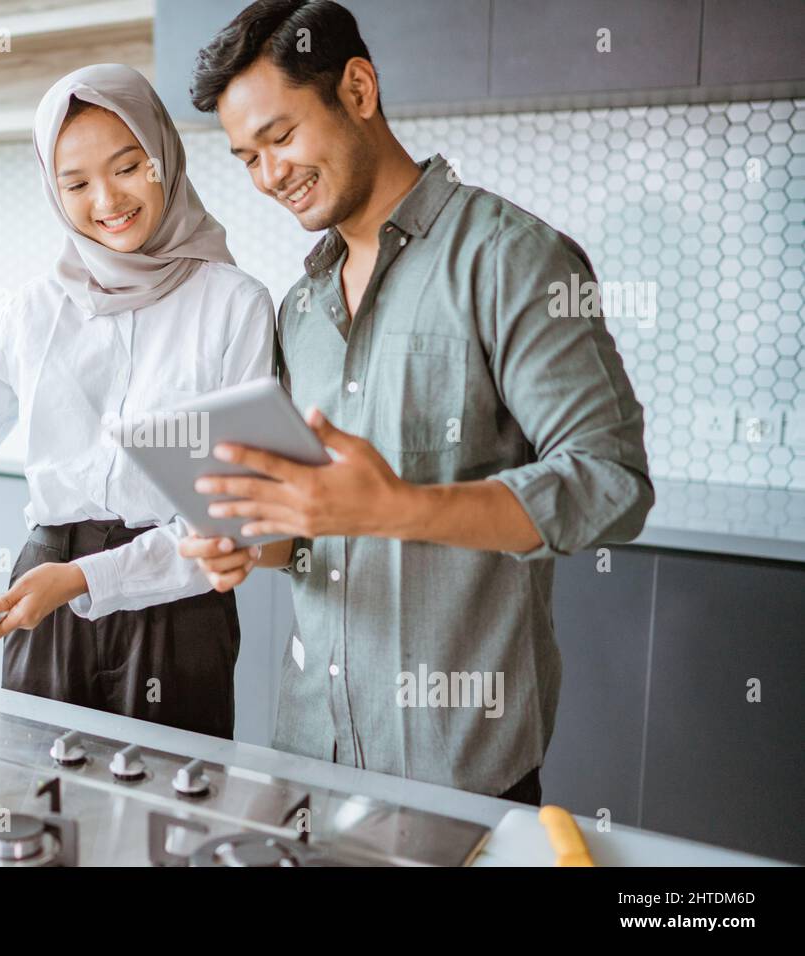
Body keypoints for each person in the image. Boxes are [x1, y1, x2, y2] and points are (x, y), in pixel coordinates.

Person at [178, 0, 654, 802]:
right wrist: (250, 545)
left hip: (460, 772)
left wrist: (397, 507)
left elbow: (611, 485)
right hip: (310, 756)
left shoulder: (512, 259)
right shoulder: (302, 306)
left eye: (281, 137)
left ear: (358, 89)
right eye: (246, 158)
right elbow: (310, 527)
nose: (268, 176)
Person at [0, 64, 274, 739]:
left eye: (128, 166)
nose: (106, 199)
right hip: (42, 599)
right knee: (37, 803)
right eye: (75, 183)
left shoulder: (235, 304)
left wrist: (80, 579)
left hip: (176, 608)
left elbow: (228, 520)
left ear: (164, 156)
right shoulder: (34, 309)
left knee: (171, 820)